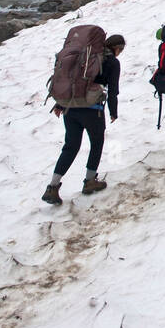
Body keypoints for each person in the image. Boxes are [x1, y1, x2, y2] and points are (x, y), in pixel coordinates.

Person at [42, 34, 124, 205]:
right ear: (117, 48)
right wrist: (113, 111)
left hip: (70, 108)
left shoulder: (83, 58)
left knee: (70, 147)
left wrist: (60, 104)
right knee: (96, 143)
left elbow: (70, 81)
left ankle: (53, 186)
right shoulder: (111, 62)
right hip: (93, 111)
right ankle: (90, 181)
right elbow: (113, 89)